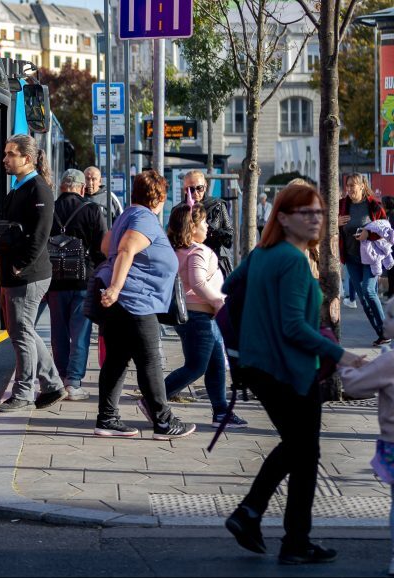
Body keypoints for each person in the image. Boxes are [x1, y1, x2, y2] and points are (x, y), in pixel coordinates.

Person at [223, 182, 366, 565]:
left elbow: (228, 286)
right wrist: (343, 355)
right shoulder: (291, 261)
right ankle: (292, 540)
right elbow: (293, 328)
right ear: (283, 218)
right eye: (307, 212)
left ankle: (253, 515)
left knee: (298, 448)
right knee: (304, 450)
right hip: (289, 370)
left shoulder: (263, 254)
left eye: (319, 211)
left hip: (258, 367)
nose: (316, 218)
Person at [93, 170, 195, 440]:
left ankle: (107, 418)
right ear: (158, 198)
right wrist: (117, 286)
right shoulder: (146, 219)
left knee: (116, 361)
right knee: (150, 361)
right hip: (136, 302)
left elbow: (107, 245)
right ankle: (163, 422)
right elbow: (125, 248)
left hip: (122, 303)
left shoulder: (126, 215)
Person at [0, 135, 67, 411]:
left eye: (11, 154)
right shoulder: (19, 187)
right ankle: (52, 385)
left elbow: (41, 233)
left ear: (27, 158)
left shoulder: (39, 189)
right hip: (19, 273)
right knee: (22, 330)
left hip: (29, 274)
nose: (5, 159)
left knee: (21, 333)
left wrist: (21, 263)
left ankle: (23, 393)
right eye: (5, 153)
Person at [163, 204, 247, 428]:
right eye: (203, 223)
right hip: (201, 316)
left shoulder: (180, 249)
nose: (208, 226)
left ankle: (221, 411)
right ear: (191, 227)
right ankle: (155, 398)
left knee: (216, 365)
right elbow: (198, 281)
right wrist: (219, 303)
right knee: (196, 366)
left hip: (200, 316)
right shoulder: (198, 250)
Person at [339, 297, 394, 575]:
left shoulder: (389, 362)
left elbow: (356, 387)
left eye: (391, 317)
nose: (385, 321)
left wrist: (345, 367)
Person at [46, 168, 106, 401]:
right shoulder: (91, 210)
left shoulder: (49, 208)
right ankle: (74, 382)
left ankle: (60, 377)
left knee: (58, 331)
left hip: (54, 281)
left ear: (61, 187)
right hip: (83, 281)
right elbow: (102, 247)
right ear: (82, 188)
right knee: (80, 333)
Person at [338, 173, 390, 346]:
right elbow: (328, 227)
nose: (350, 189)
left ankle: (386, 330)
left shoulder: (373, 206)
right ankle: (382, 334)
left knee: (369, 291)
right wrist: (335, 222)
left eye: (354, 185)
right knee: (363, 299)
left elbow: (387, 230)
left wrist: (369, 233)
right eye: (348, 185)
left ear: (362, 186)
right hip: (352, 259)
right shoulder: (342, 205)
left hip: (371, 258)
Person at [182, 170, 234, 272]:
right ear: (185, 189)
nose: (196, 193)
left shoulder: (217, 205)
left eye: (199, 188)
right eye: (191, 189)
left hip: (215, 261)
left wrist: (210, 230)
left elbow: (229, 236)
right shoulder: (180, 210)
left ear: (205, 186)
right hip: (188, 260)